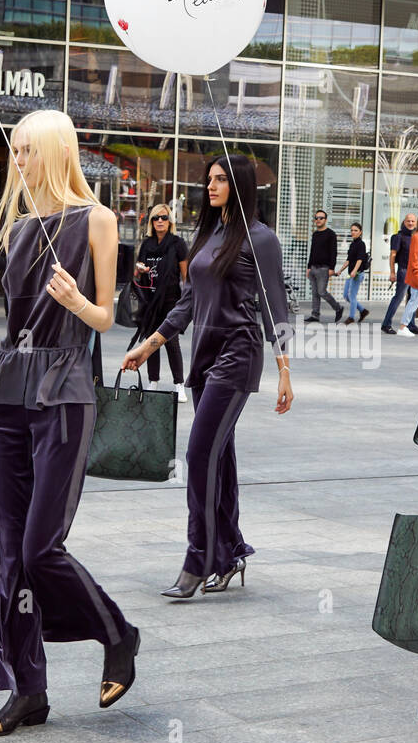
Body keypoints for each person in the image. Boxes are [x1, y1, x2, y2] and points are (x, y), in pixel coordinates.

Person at [0, 109, 138, 738]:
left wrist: (77, 301)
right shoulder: (24, 228)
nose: (18, 161)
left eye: (27, 150)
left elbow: (108, 318)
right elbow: (10, 334)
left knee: (39, 546)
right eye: (15, 151)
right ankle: (26, 690)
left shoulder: (98, 220)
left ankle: (117, 634)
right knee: (7, 551)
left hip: (65, 394)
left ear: (58, 151)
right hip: (8, 400)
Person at [122, 153, 294, 599]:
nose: (211, 186)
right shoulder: (208, 234)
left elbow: (277, 305)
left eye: (221, 179)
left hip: (238, 355)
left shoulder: (262, 240)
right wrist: (150, 344)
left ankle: (198, 557)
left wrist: (285, 370)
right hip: (203, 357)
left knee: (199, 456)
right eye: (210, 179)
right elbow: (187, 303)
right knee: (221, 457)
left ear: (239, 185)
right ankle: (231, 550)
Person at [134, 204, 189, 400]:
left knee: (171, 342)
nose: (159, 221)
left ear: (170, 221)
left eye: (164, 218)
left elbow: (186, 276)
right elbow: (137, 271)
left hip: (171, 300)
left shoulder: (177, 244)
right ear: (151, 221)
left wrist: (187, 303)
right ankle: (153, 381)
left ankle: (179, 384)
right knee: (151, 341)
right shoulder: (147, 244)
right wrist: (140, 269)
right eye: (156, 218)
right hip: (150, 300)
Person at [381, 213, 418, 334]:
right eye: (408, 221)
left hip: (414, 271)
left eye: (413, 221)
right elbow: (392, 256)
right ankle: (386, 324)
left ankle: (411, 324)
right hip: (403, 271)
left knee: (412, 298)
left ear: (416, 223)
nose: (411, 223)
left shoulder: (416, 236)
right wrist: (392, 272)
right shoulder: (398, 236)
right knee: (399, 297)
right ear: (404, 222)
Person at [305, 208, 344, 324]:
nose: (318, 220)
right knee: (315, 293)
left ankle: (338, 308)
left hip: (324, 268)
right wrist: (308, 267)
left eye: (321, 218)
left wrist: (332, 268)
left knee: (322, 292)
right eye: (316, 218)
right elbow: (312, 251)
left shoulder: (331, 234)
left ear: (325, 220)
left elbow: (333, 252)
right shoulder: (315, 234)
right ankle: (315, 315)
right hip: (313, 267)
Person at [341, 222, 370, 325]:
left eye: (355, 230)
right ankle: (363, 310)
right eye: (352, 230)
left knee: (352, 296)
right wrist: (340, 270)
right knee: (346, 295)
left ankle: (351, 317)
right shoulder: (352, 244)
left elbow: (360, 260)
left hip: (357, 274)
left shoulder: (361, 244)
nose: (353, 232)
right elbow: (349, 260)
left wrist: (354, 271)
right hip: (351, 273)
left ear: (360, 232)